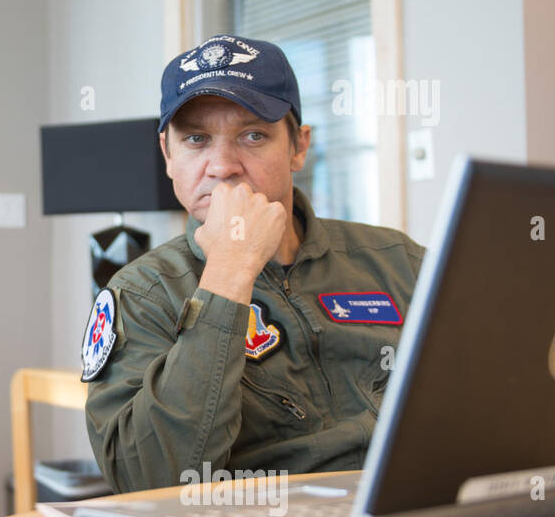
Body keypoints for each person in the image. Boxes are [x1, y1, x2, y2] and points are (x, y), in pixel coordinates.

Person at [83, 34, 425, 493]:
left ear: (298, 147)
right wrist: (229, 272)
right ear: (168, 154)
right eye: (196, 139)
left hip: (414, 508)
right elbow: (148, 481)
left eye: (253, 135)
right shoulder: (141, 293)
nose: (222, 166)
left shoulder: (398, 261)